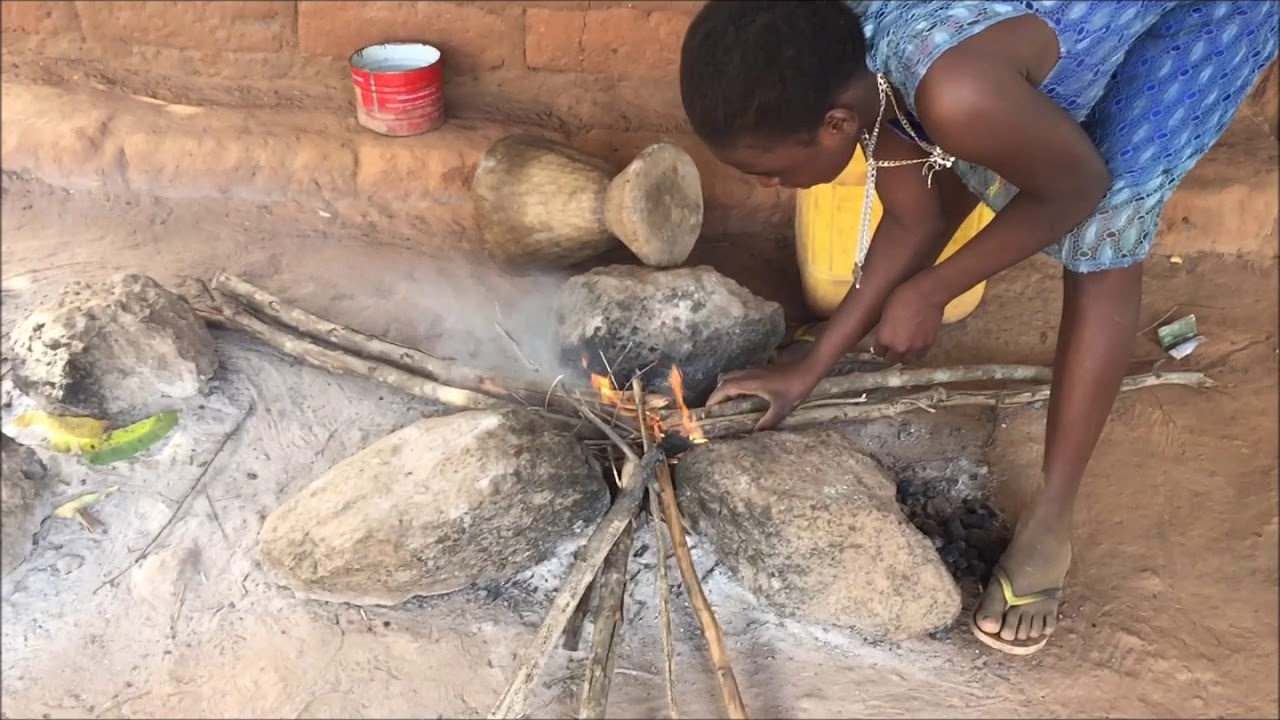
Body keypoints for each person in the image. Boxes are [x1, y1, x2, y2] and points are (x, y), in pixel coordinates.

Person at [679, 0, 1278, 655]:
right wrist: (807, 369)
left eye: (769, 169)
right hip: (1004, 57)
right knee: (985, 140)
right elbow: (916, 218)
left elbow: (1079, 189)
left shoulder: (955, 92)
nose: (769, 186)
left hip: (1205, 13)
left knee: (1109, 217)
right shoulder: (853, 59)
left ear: (834, 122)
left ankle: (1052, 523)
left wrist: (935, 287)